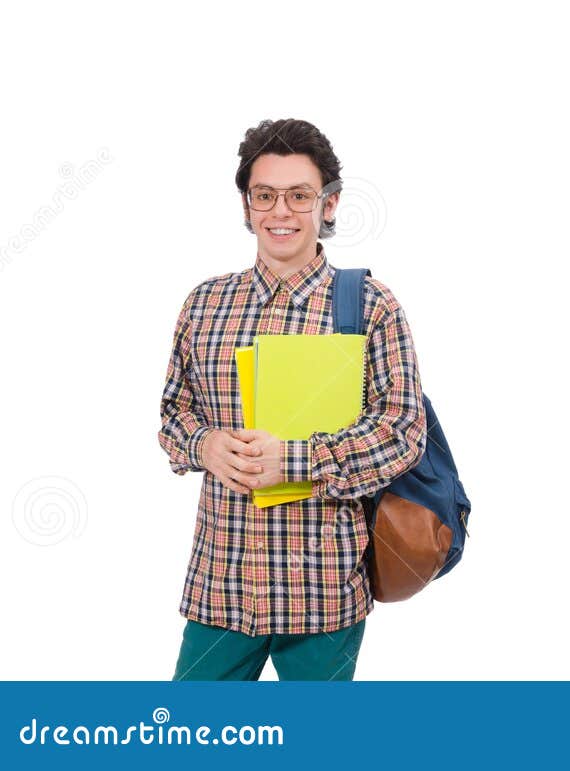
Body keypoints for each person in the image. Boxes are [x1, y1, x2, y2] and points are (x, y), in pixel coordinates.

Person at [158, 118, 425, 680]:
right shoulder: (203, 305)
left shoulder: (372, 307)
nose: (281, 211)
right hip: (221, 584)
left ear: (328, 205)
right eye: (265, 195)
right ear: (247, 205)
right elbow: (173, 416)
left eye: (299, 196)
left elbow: (403, 434)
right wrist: (203, 446)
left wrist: (294, 461)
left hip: (323, 591)